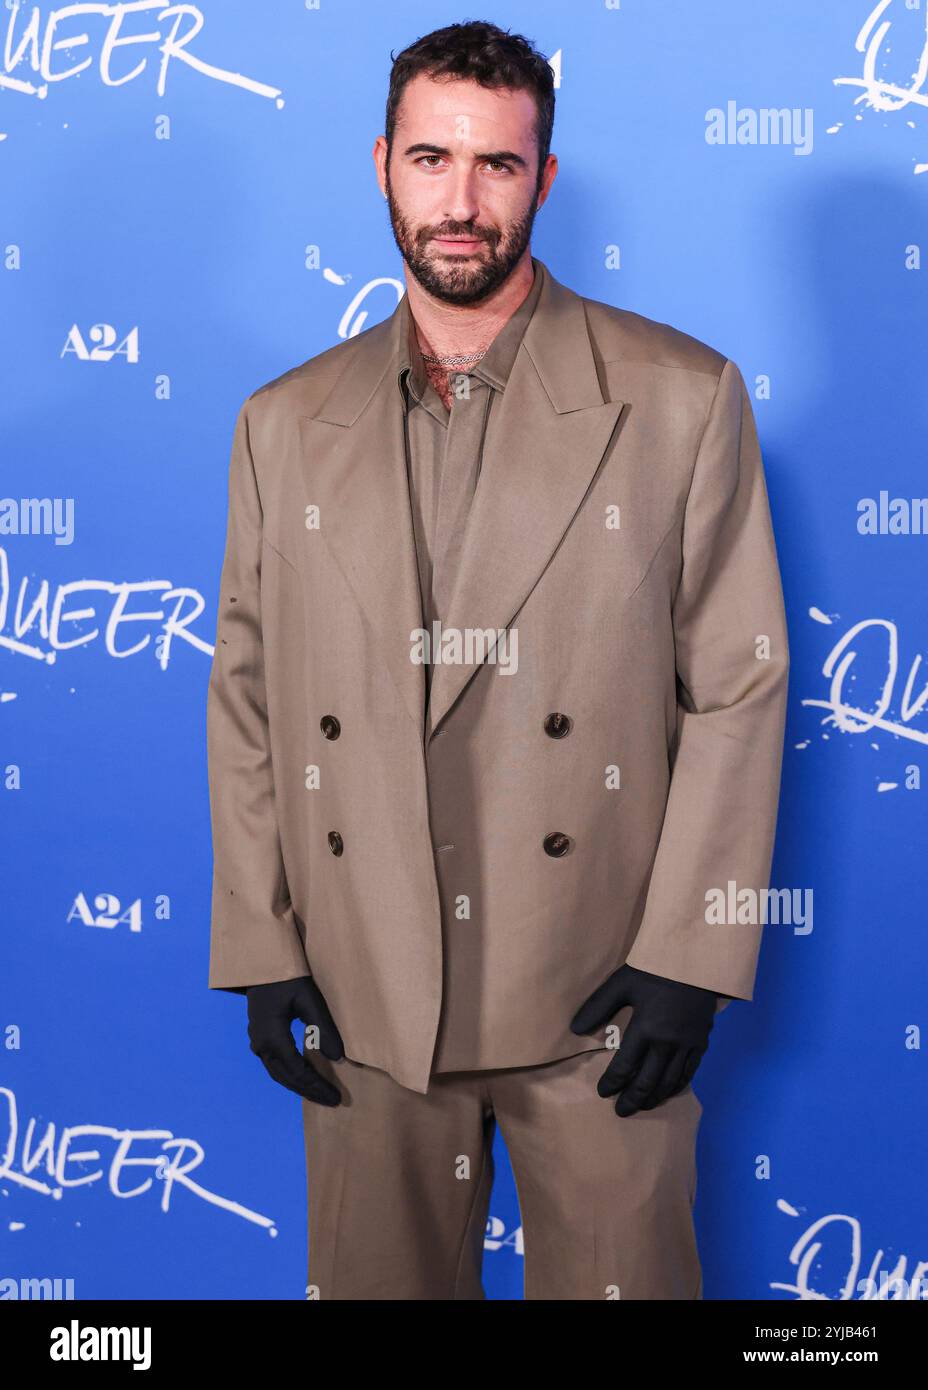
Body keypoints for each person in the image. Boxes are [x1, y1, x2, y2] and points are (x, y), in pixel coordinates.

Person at [206, 19, 789, 1300]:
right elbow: (247, 691)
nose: (460, 203)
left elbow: (740, 685)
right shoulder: (283, 424)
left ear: (545, 178)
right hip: (365, 996)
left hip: (598, 998)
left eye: (497, 166)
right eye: (430, 159)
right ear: (379, 166)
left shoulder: (678, 398)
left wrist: (693, 957)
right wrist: (260, 942)